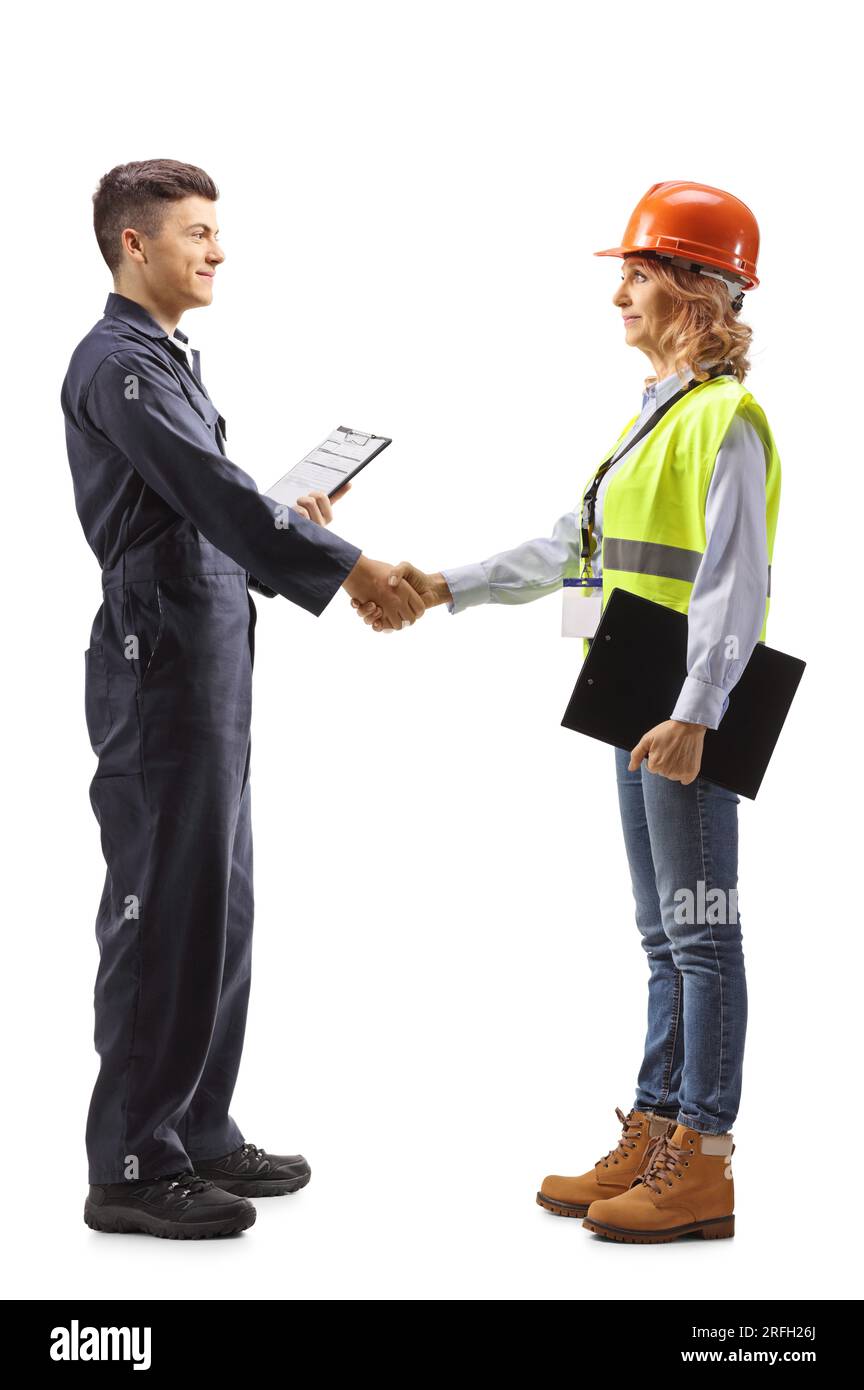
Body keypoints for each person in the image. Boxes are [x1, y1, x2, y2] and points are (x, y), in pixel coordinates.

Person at [352, 182, 782, 1244]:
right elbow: (567, 549)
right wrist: (441, 582)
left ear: (694, 289)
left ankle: (705, 1160)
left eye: (636, 275)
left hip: (685, 705)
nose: (618, 296)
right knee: (659, 935)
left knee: (700, 934)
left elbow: (735, 585)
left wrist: (694, 716)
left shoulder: (723, 420)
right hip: (635, 697)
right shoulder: (653, 418)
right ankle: (655, 1127)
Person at [62, 158, 427, 1240]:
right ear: (136, 245)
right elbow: (210, 500)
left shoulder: (168, 361)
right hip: (158, 659)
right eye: (198, 233)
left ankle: (196, 1128)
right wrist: (344, 561)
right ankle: (130, 1162)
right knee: (157, 902)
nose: (217, 252)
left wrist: (292, 520)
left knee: (218, 902)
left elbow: (202, 513)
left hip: (209, 654)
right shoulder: (118, 365)